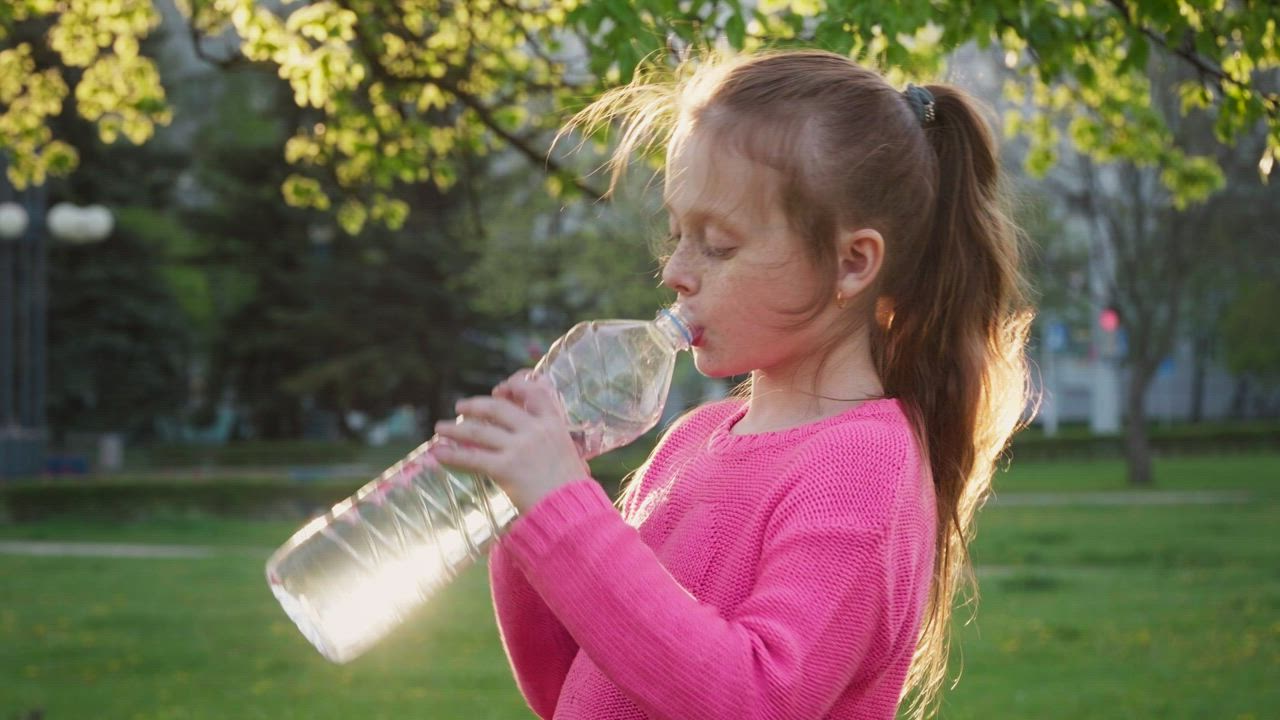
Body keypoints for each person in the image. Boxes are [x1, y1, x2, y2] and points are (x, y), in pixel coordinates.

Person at [429, 48, 1035, 720]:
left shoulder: (864, 467)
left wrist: (566, 513)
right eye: (676, 235)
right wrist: (525, 511)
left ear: (852, 262)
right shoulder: (693, 439)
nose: (676, 272)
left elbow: (753, 697)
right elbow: (580, 687)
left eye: (717, 245)